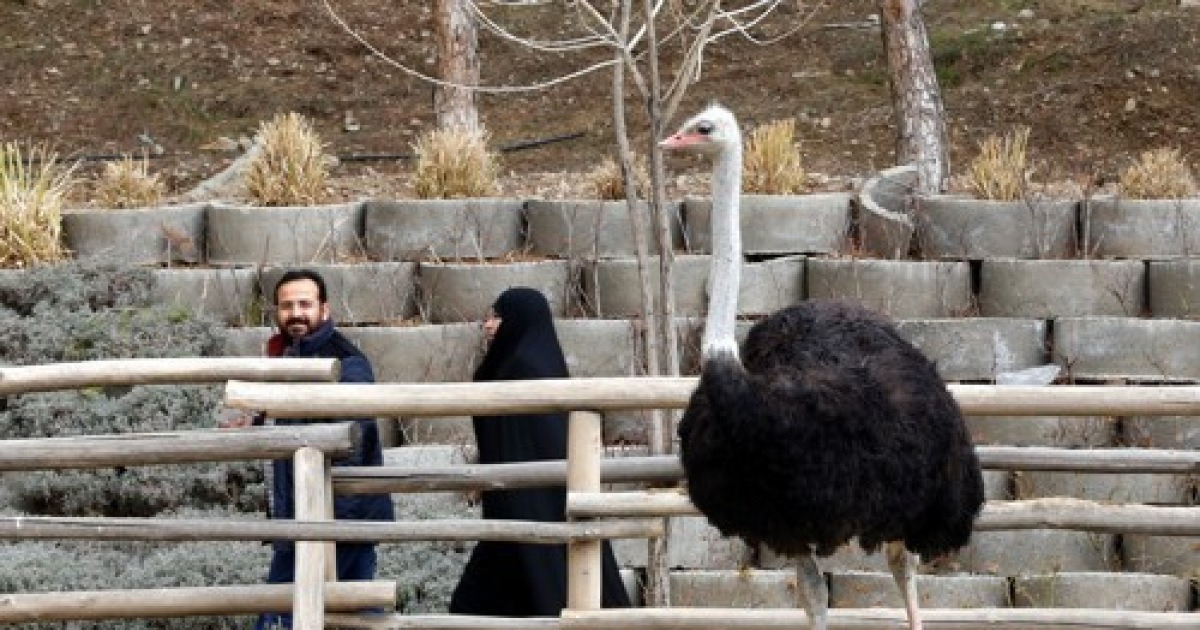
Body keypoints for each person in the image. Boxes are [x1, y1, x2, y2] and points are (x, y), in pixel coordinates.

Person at [221, 269, 395, 630]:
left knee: (284, 615)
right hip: (305, 516)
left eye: (305, 304)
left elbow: (352, 438)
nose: (296, 313)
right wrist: (257, 422)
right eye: (287, 305)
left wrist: (327, 527)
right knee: (353, 617)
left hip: (335, 519)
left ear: (324, 310)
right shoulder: (285, 356)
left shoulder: (346, 362)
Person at [450, 287, 631, 616]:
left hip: (525, 513)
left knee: (488, 604)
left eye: (497, 317)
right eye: (488, 317)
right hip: (519, 514)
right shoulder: (527, 365)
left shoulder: (523, 370)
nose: (488, 325)